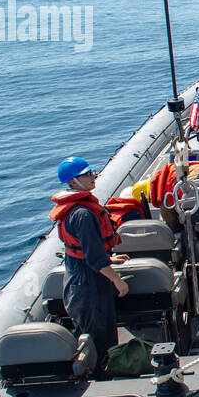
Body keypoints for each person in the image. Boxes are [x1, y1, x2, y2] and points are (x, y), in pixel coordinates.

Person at [50, 157, 130, 369]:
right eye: (86, 174)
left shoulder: (77, 210)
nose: (92, 177)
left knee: (98, 331)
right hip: (87, 284)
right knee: (100, 338)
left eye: (91, 172)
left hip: (80, 276)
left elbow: (84, 252)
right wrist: (117, 281)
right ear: (73, 181)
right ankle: (103, 378)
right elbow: (94, 259)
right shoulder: (83, 214)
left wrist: (109, 259)